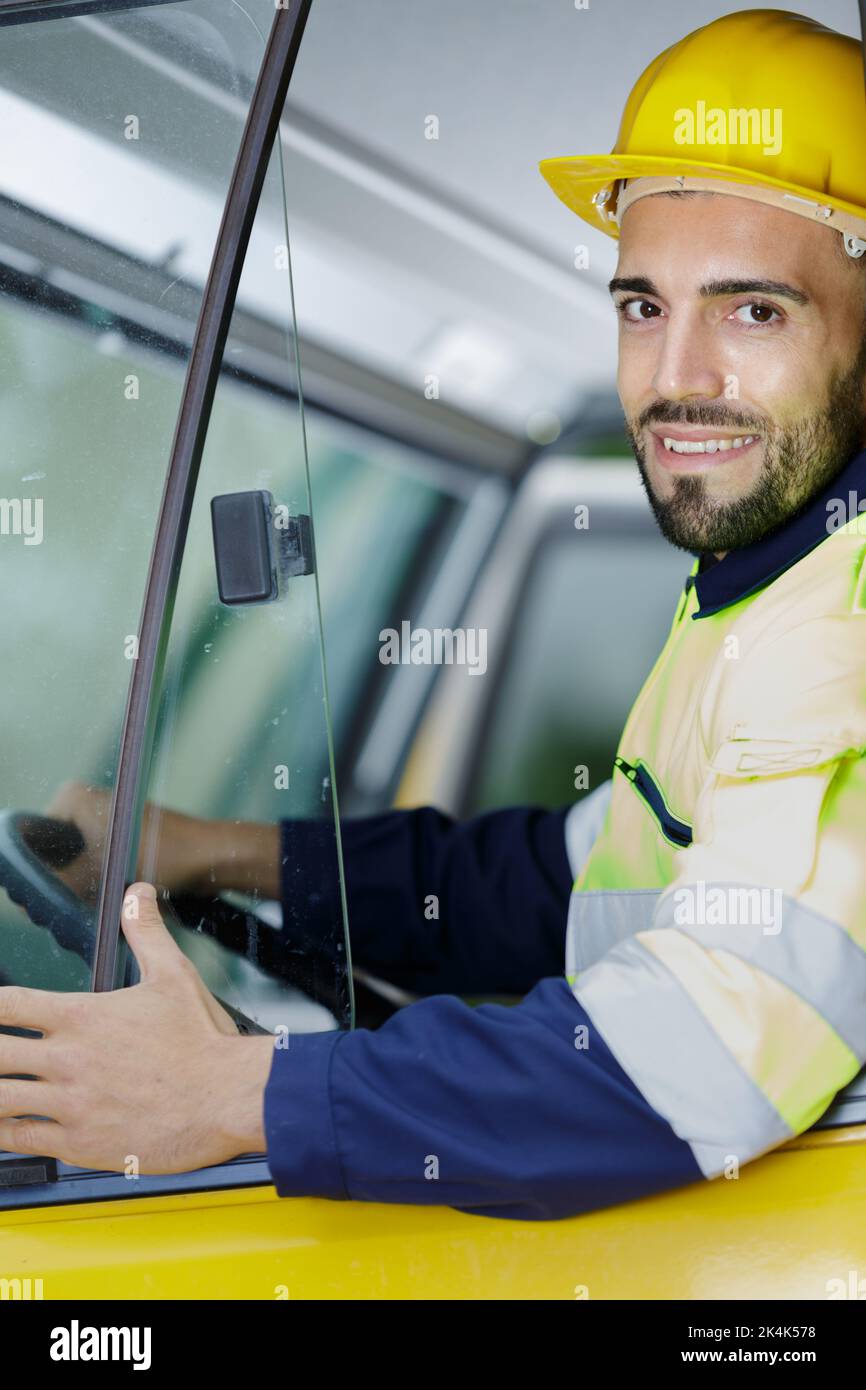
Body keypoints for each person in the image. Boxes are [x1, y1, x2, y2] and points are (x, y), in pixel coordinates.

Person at [3, 8, 866, 1220]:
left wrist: (240, 1093)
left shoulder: (837, 625)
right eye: (640, 307)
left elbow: (691, 1065)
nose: (676, 376)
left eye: (753, 310)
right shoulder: (758, 591)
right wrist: (208, 850)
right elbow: (555, 883)